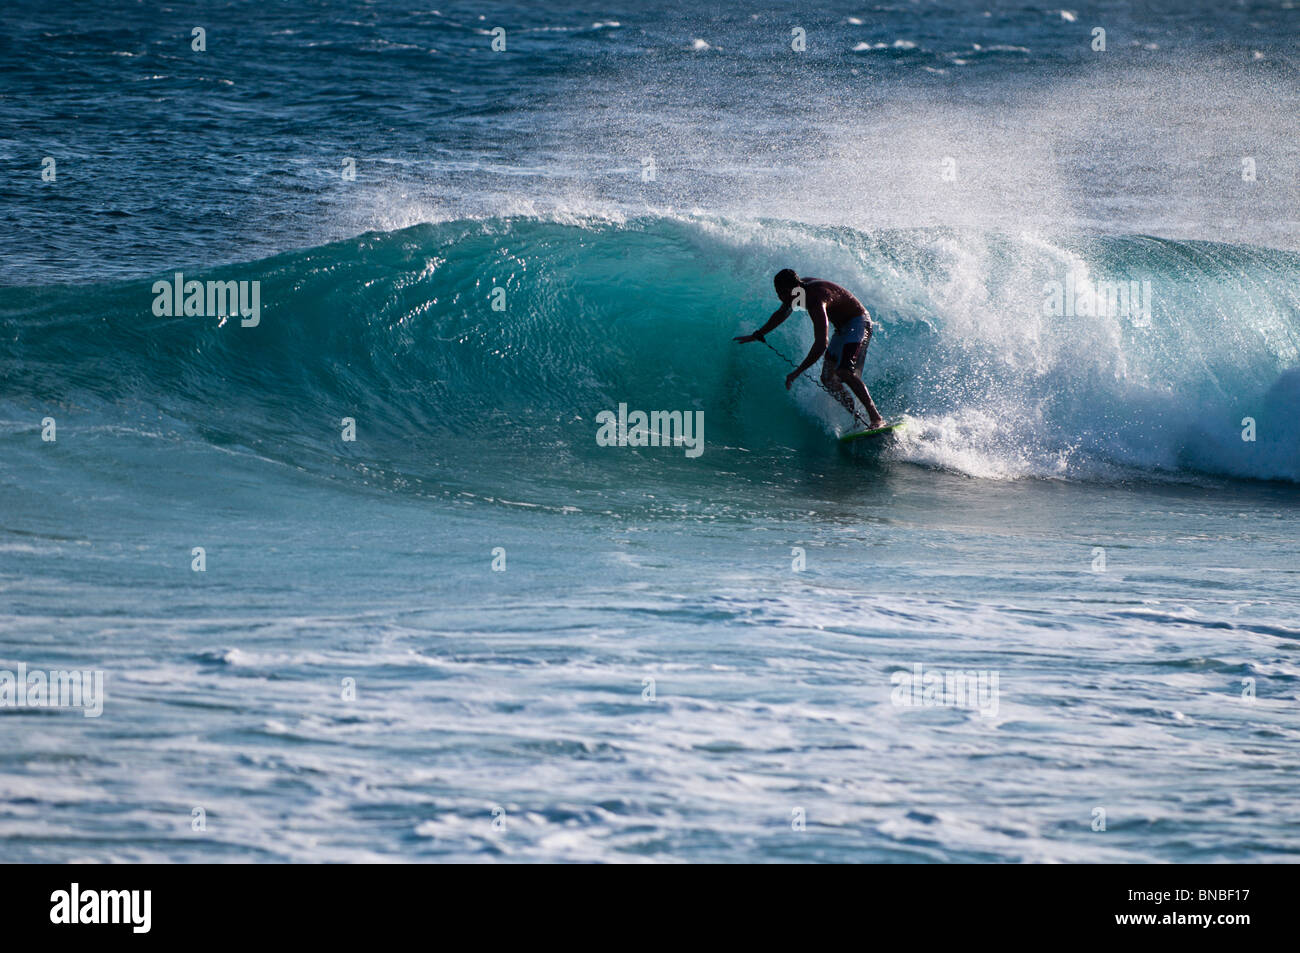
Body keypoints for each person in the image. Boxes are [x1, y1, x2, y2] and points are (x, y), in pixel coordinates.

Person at [734, 269, 885, 429]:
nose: (780, 297)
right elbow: (782, 313)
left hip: (858, 323)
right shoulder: (797, 290)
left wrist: (797, 372)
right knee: (827, 379)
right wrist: (758, 334)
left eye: (781, 293)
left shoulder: (815, 299)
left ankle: (876, 418)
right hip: (842, 329)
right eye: (778, 293)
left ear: (792, 289)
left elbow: (821, 344)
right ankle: (858, 418)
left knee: (844, 371)